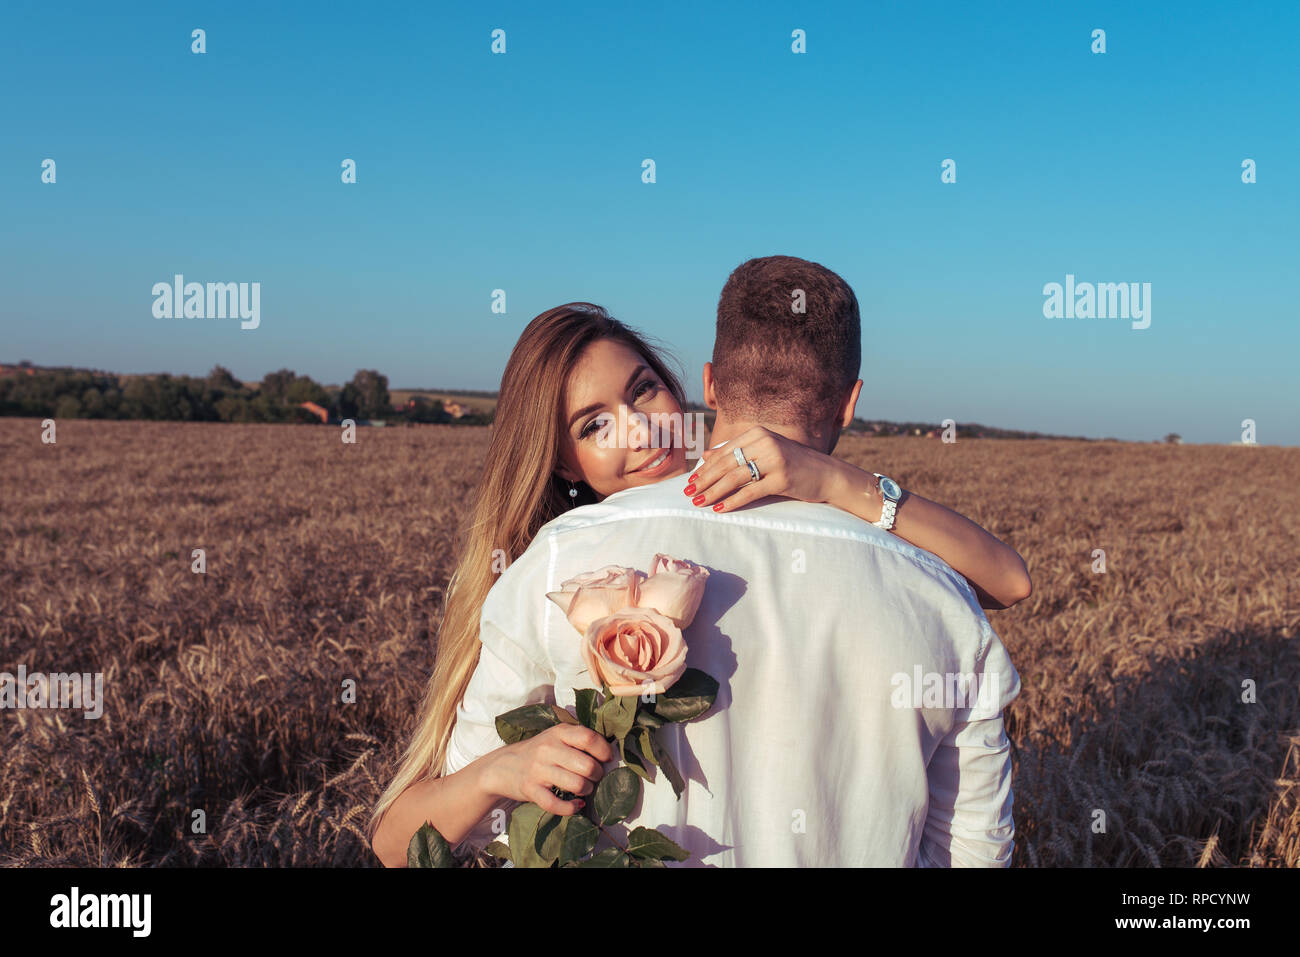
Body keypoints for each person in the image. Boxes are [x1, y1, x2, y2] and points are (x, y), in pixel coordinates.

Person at [370, 255, 1026, 866]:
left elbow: (1009, 578)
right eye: (594, 423)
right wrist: (500, 773)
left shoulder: (553, 568)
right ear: (851, 401)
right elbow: (968, 848)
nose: (641, 431)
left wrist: (828, 480)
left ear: (704, 385)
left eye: (644, 391)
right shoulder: (938, 593)